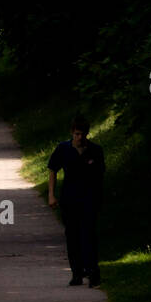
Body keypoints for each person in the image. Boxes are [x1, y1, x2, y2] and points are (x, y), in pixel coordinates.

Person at [48, 115, 105, 286]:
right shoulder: (63, 149)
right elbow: (52, 170)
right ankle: (77, 273)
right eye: (77, 134)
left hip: (89, 198)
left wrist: (98, 196)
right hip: (69, 199)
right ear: (72, 133)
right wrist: (51, 194)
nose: (80, 138)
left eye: (83, 134)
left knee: (88, 234)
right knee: (72, 236)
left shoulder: (95, 150)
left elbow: (100, 175)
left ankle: (93, 271)